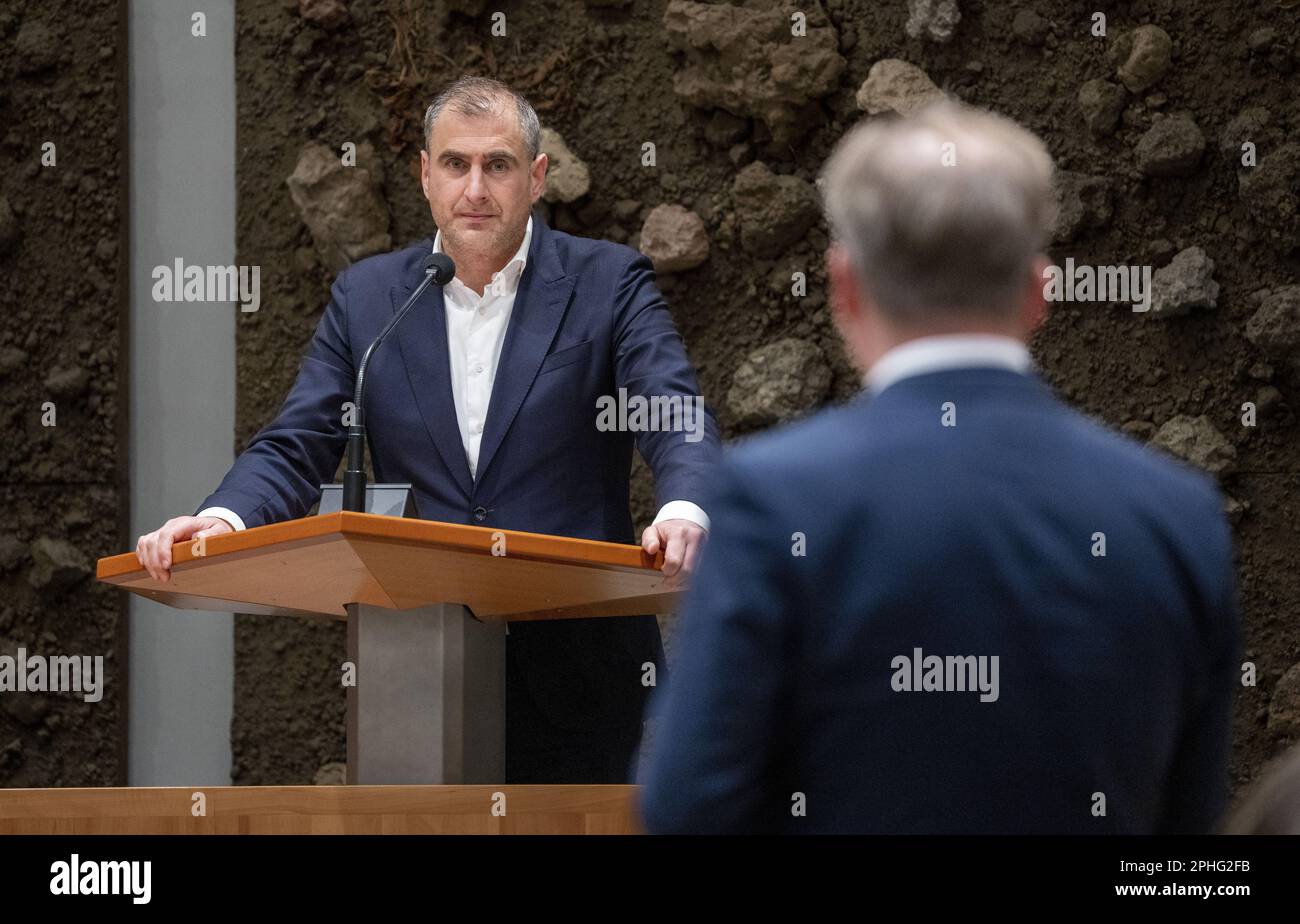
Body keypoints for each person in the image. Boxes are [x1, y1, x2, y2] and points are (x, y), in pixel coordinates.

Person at [637, 102, 1239, 833]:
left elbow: (685, 807)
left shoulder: (772, 500)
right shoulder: (1179, 515)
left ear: (844, 286)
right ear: (1040, 292)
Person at [136, 76, 720, 783]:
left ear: (536, 178)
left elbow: (673, 408)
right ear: (424, 175)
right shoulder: (370, 299)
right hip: (417, 673)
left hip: (582, 670)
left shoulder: (608, 281)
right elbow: (300, 440)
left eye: (498, 165)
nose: (475, 188)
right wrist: (225, 519)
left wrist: (684, 506)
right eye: (455, 164)